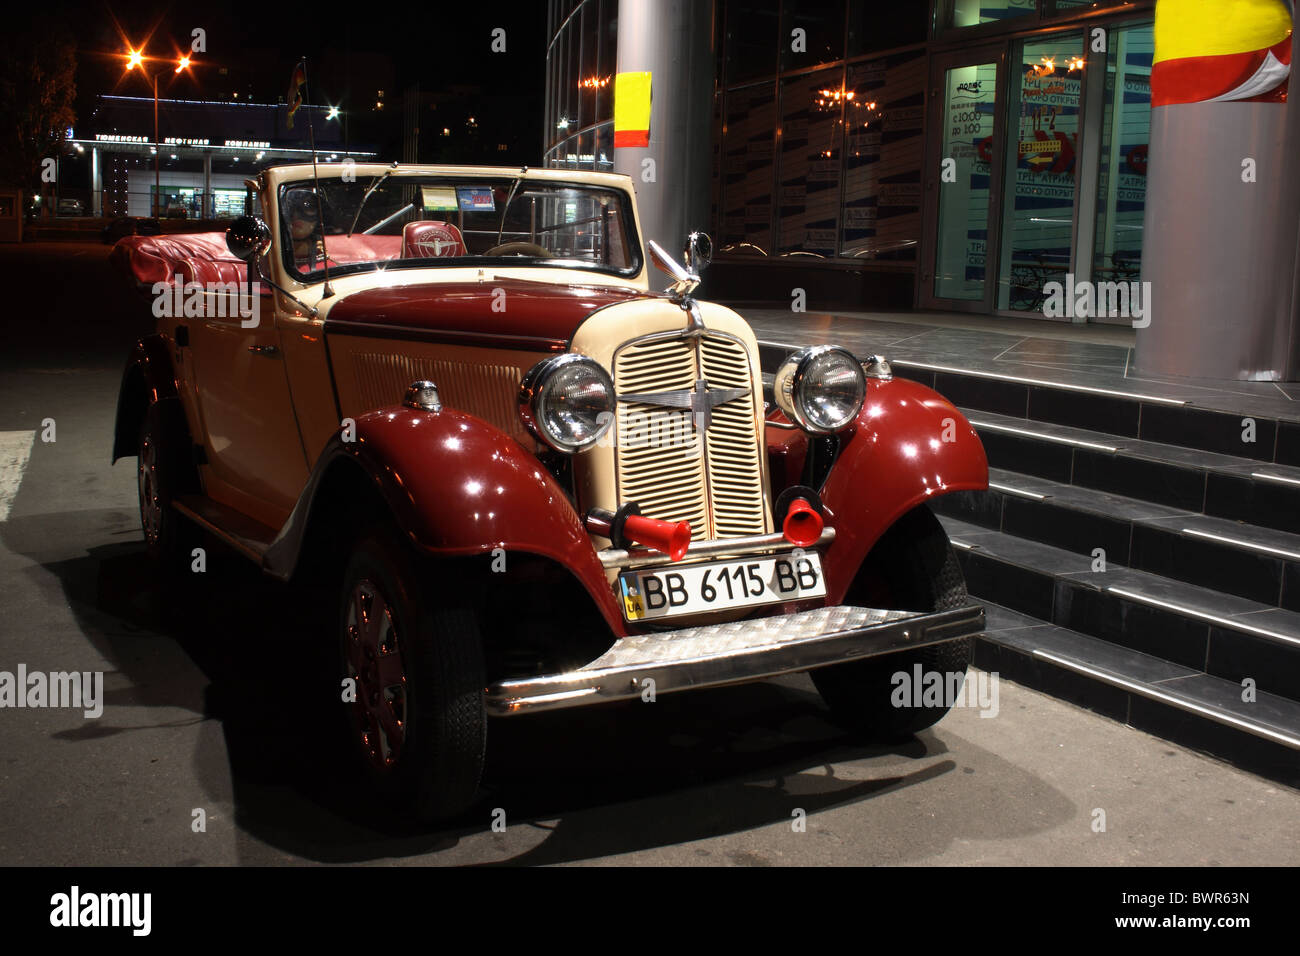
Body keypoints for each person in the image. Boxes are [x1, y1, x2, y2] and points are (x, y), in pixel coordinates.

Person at [285, 188, 326, 269]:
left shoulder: (329, 266)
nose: (296, 215)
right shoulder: (264, 265)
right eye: (288, 206)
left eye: (308, 206)